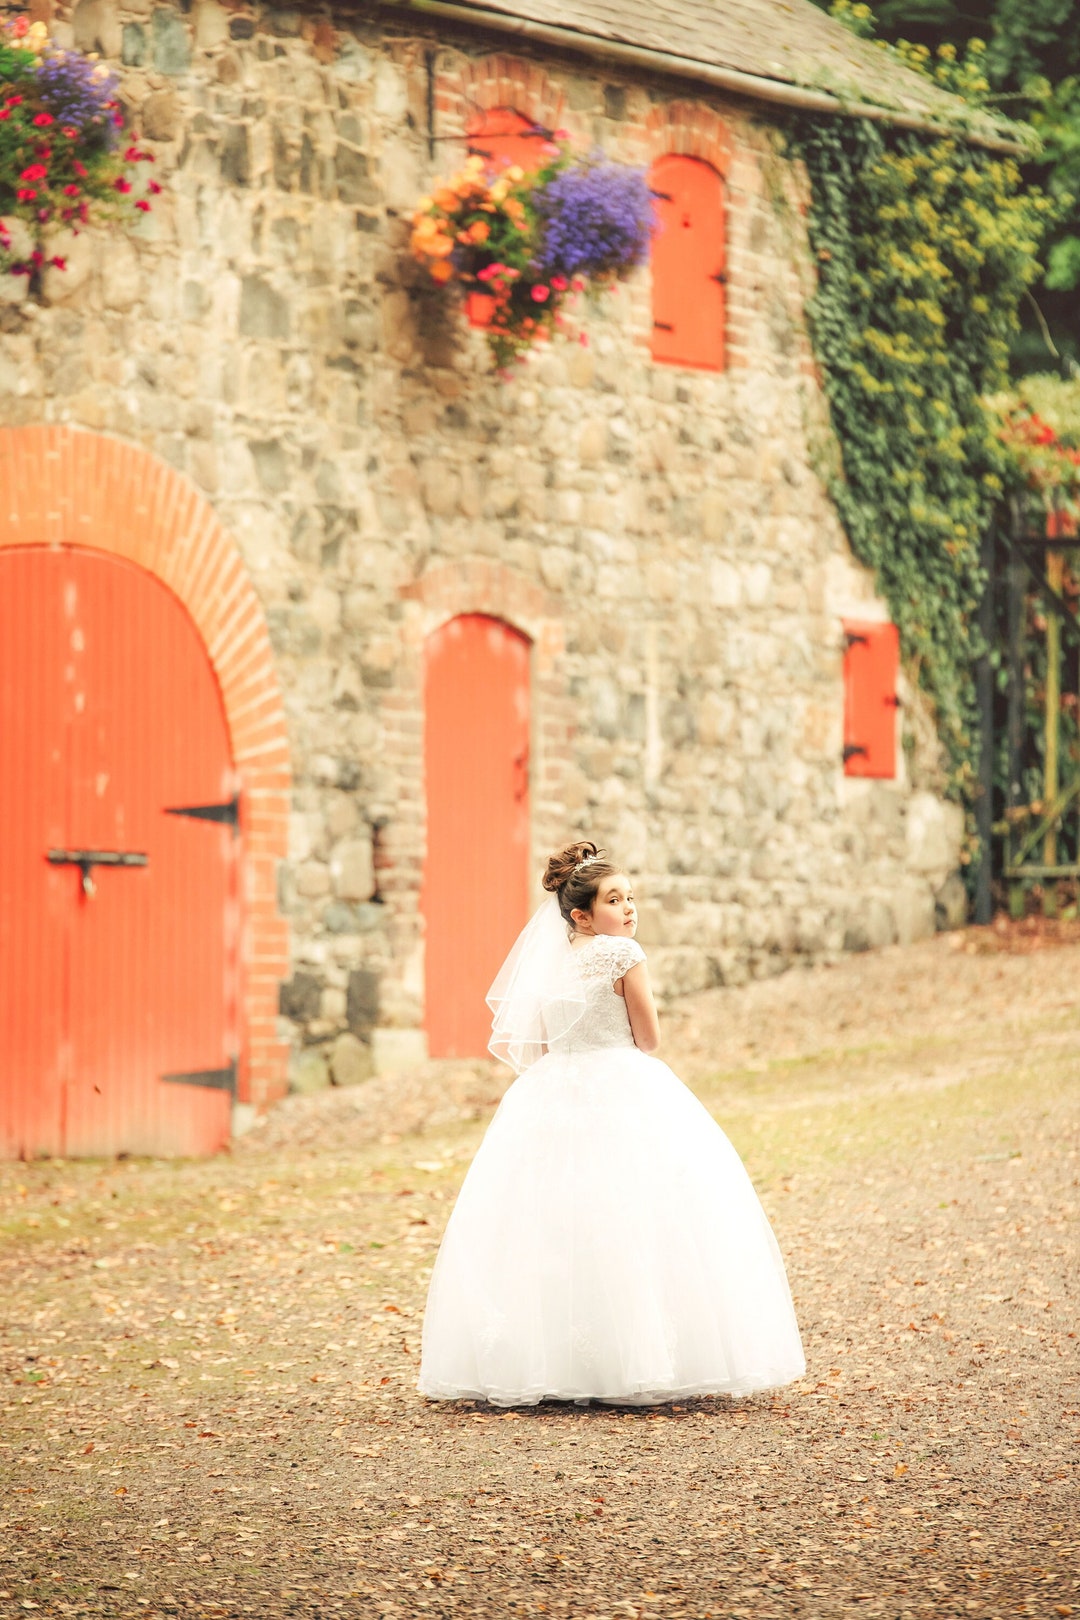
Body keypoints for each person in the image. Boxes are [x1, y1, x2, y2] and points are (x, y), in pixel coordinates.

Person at [417, 840, 806, 1407]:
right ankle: (639, 1357)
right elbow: (648, 1039)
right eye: (614, 899)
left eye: (630, 898)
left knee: (551, 1217)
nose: (628, 910)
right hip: (622, 1082)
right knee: (638, 1212)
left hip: (551, 1090)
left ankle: (550, 1360)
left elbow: (546, 1042)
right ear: (581, 914)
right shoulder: (623, 956)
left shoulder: (549, 965)